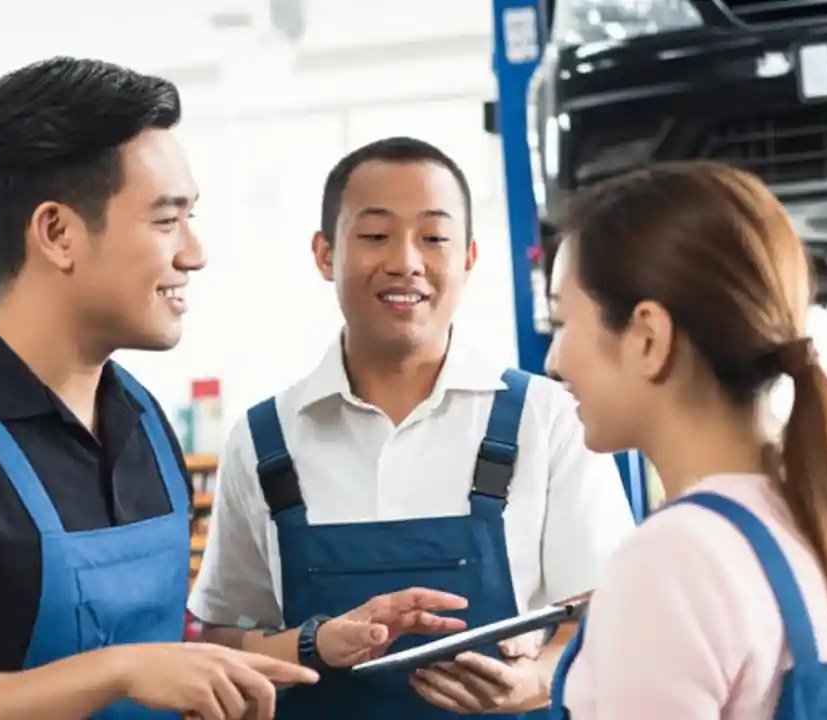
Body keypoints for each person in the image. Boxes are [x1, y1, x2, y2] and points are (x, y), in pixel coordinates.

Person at [0, 57, 326, 720]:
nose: (194, 252)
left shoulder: (143, 420)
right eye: (167, 221)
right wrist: (119, 671)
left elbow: (170, 656)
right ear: (57, 233)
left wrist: (315, 647)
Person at [186, 136, 637, 719]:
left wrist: (539, 680)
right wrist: (313, 644)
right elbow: (223, 639)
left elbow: (610, 620)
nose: (405, 261)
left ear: (468, 257)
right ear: (325, 254)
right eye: (375, 236)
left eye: (434, 237)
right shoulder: (264, 440)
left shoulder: (547, 420)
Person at [544, 161, 827, 718]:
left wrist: (639, 610)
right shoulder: (821, 522)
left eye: (562, 322)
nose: (553, 360)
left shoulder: (672, 560)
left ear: (647, 337)